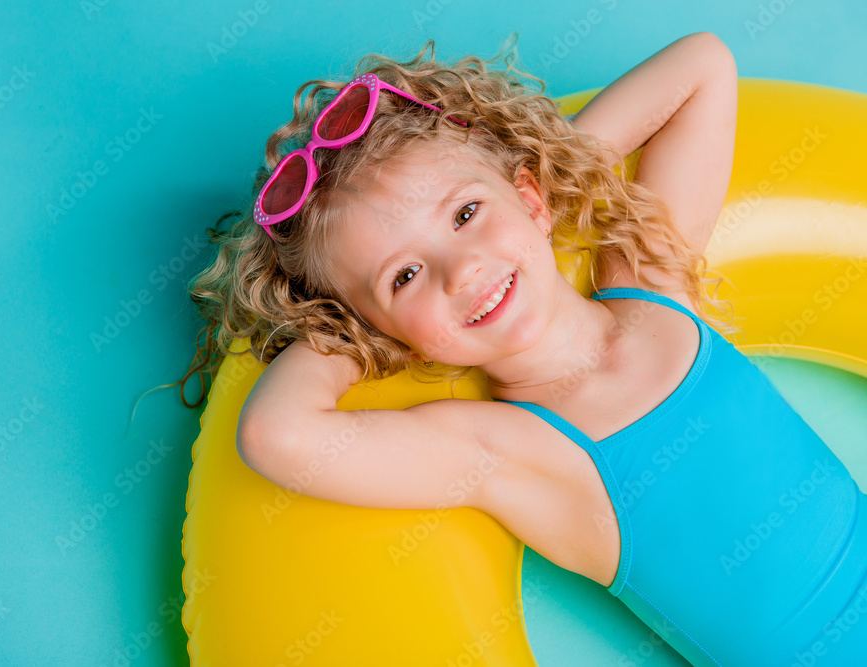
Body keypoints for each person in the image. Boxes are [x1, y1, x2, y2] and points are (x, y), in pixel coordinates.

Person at [180, 32, 867, 666]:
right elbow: (278, 435)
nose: (463, 269)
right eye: (405, 275)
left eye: (465, 213)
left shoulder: (651, 278)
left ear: (531, 201)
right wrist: (353, 332)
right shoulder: (508, 450)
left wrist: (547, 176)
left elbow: (703, 66)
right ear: (384, 329)